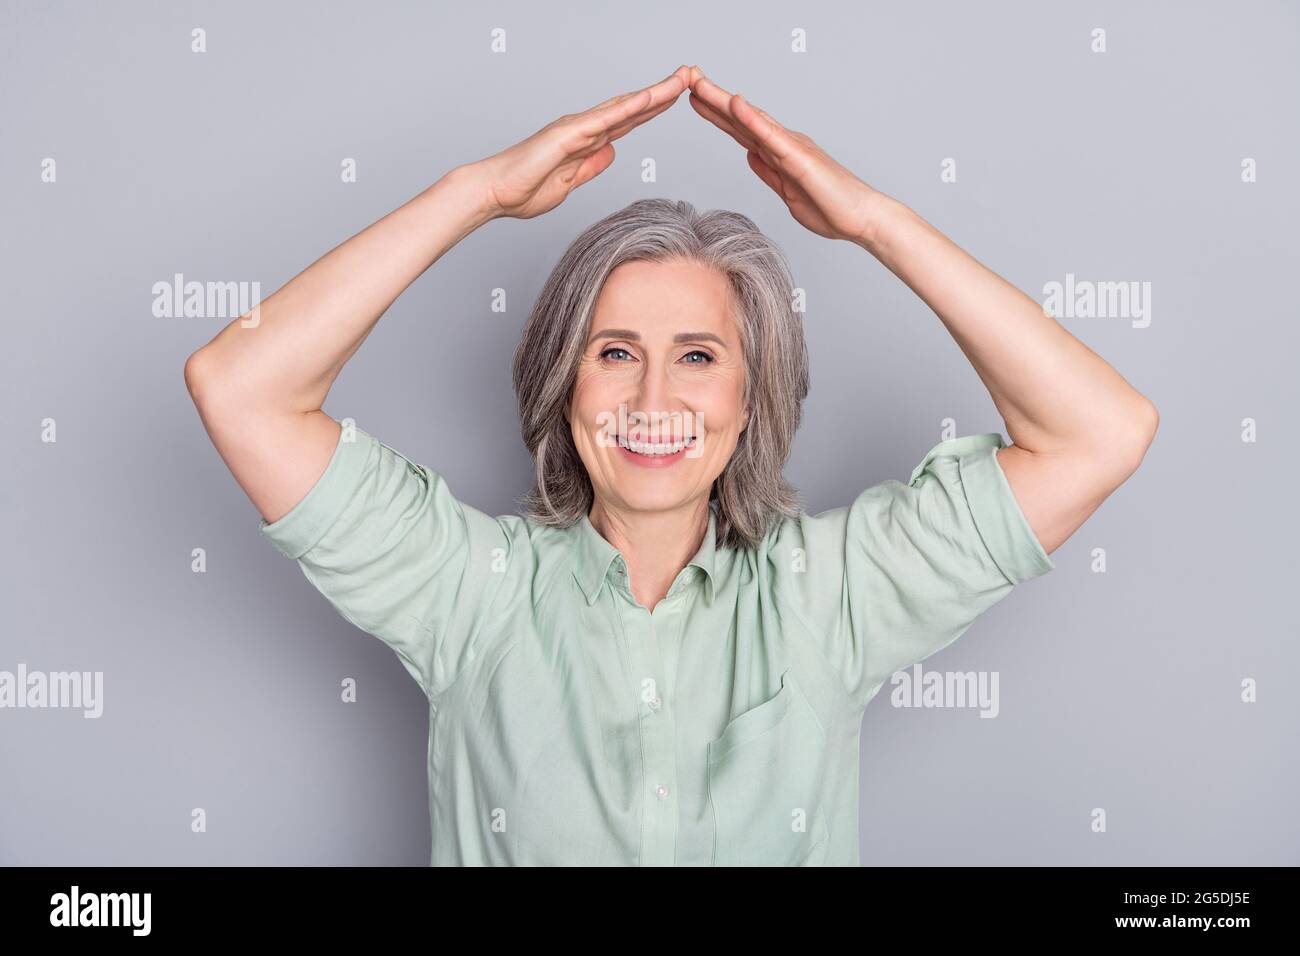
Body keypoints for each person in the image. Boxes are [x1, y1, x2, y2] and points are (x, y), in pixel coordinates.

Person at [184, 65, 1158, 865]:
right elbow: (241, 387)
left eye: (697, 355)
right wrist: (474, 194)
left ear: (749, 395)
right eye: (613, 352)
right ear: (562, 382)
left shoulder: (833, 595)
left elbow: (1100, 430)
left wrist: (875, 222)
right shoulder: (463, 591)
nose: (653, 400)